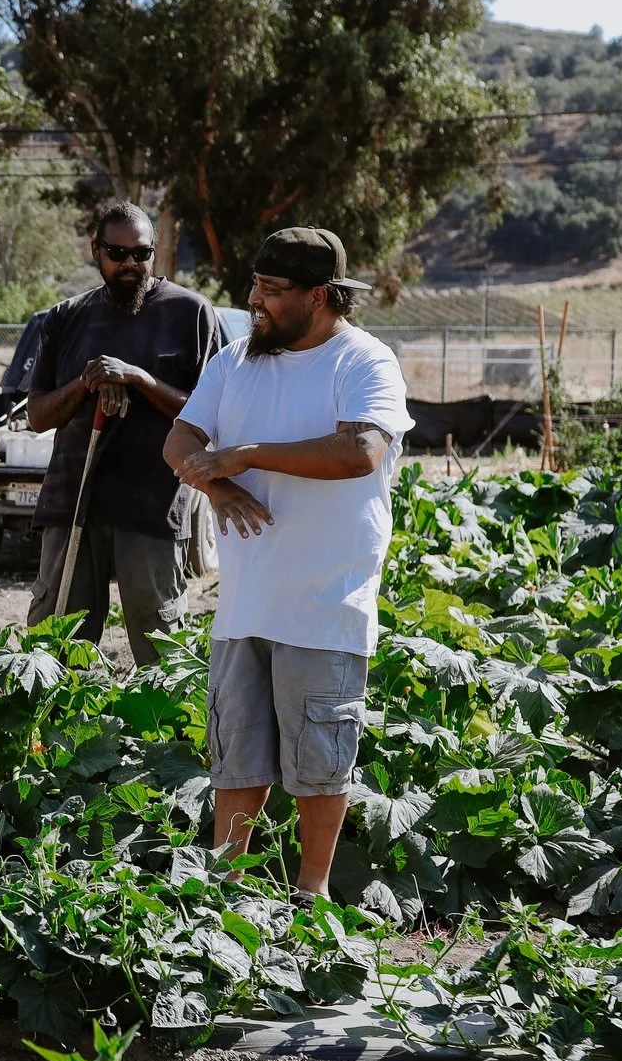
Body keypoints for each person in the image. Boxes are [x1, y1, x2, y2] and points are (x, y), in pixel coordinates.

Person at [164, 226, 413, 902]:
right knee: (237, 754)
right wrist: (217, 484)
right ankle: (224, 887)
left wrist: (246, 453)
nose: (256, 301)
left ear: (320, 295)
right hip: (245, 599)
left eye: (273, 292)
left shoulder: (363, 361)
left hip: (324, 599)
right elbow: (181, 436)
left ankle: (312, 893)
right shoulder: (237, 359)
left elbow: (358, 451)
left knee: (319, 762)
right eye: (256, 287)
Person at [22, 201, 225, 665]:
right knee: (57, 643)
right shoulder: (65, 317)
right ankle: (56, 738)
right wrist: (86, 383)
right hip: (74, 499)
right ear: (96, 251)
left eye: (142, 253)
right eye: (118, 253)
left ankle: (165, 737)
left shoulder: (191, 313)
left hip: (150, 502)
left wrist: (139, 379)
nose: (131, 264)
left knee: (161, 646)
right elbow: (37, 415)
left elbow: (213, 415)